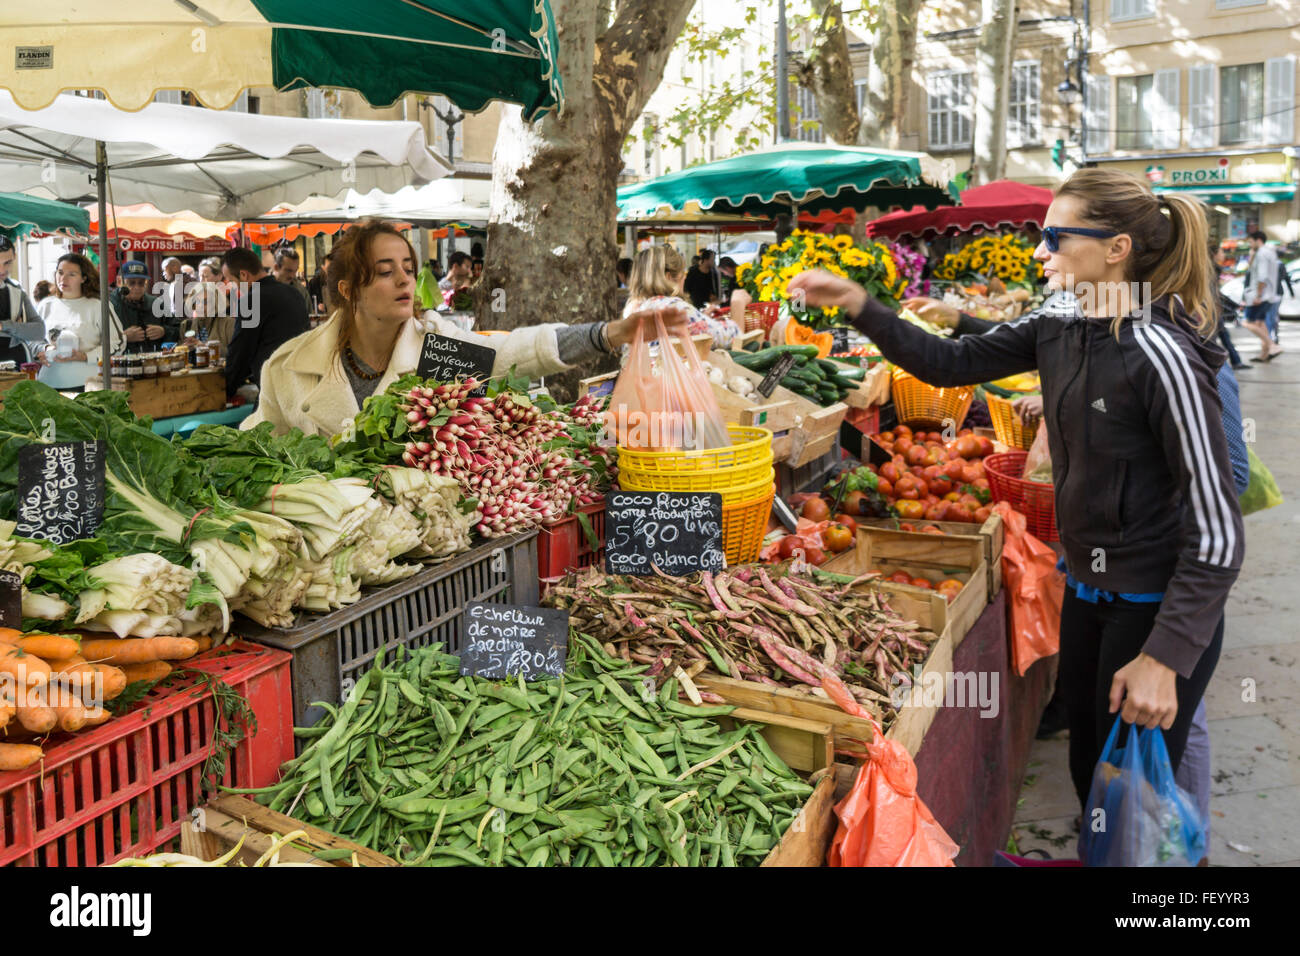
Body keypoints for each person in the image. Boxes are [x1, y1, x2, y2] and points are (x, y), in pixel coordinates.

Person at [790, 168, 1243, 815]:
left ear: (1117, 250)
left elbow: (1220, 533)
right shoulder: (1061, 322)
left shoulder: (1160, 349)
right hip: (1089, 594)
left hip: (1152, 607)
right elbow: (949, 364)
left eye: (1057, 237)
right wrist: (860, 305)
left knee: (1138, 804)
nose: (1039, 252)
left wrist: (1166, 658)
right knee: (1093, 780)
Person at [242, 220, 689, 437]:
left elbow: (512, 352)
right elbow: (260, 445)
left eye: (407, 267)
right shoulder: (287, 368)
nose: (404, 280)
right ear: (348, 289)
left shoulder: (439, 347)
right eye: (384, 272)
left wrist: (613, 332)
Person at [222, 246, 310, 401]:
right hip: (302, 383)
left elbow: (241, 351)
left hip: (275, 390)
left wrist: (227, 389)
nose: (233, 287)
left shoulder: (252, 300)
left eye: (233, 281)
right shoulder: (295, 294)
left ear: (244, 275)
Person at [35, 253, 124, 391]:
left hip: (88, 385)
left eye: (72, 274)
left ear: (84, 278)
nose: (63, 279)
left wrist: (85, 356)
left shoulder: (98, 306)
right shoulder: (45, 305)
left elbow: (118, 343)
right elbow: (33, 340)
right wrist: (44, 349)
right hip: (47, 385)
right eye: (60, 272)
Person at [624, 245, 738, 349]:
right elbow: (728, 338)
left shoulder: (633, 307)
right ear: (668, 277)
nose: (684, 279)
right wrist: (738, 304)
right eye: (682, 274)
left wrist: (702, 318)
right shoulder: (674, 307)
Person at [109, 260, 174, 353]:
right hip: (120, 364)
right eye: (131, 283)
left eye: (141, 283)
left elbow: (177, 328)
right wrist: (123, 337)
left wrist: (164, 331)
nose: (137, 287)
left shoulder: (157, 304)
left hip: (153, 362)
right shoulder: (108, 306)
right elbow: (96, 339)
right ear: (119, 281)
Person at [1242, 231, 1284, 361]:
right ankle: (1264, 355)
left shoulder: (1261, 254)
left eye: (1251, 242)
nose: (1250, 245)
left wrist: (1258, 295)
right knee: (1260, 323)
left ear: (1258, 240)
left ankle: (1272, 346)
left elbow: (1262, 276)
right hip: (1269, 294)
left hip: (1260, 295)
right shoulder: (1269, 253)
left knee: (1246, 322)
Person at [273, 247, 312, 311]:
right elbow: (253, 320)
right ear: (276, 267)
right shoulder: (259, 289)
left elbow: (309, 317)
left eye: (295, 271)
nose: (292, 276)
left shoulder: (301, 291)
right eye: (288, 270)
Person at [307, 251, 332, 316]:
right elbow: (308, 302)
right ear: (323, 267)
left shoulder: (340, 281)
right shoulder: (314, 282)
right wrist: (317, 306)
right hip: (321, 318)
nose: (332, 269)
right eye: (329, 267)